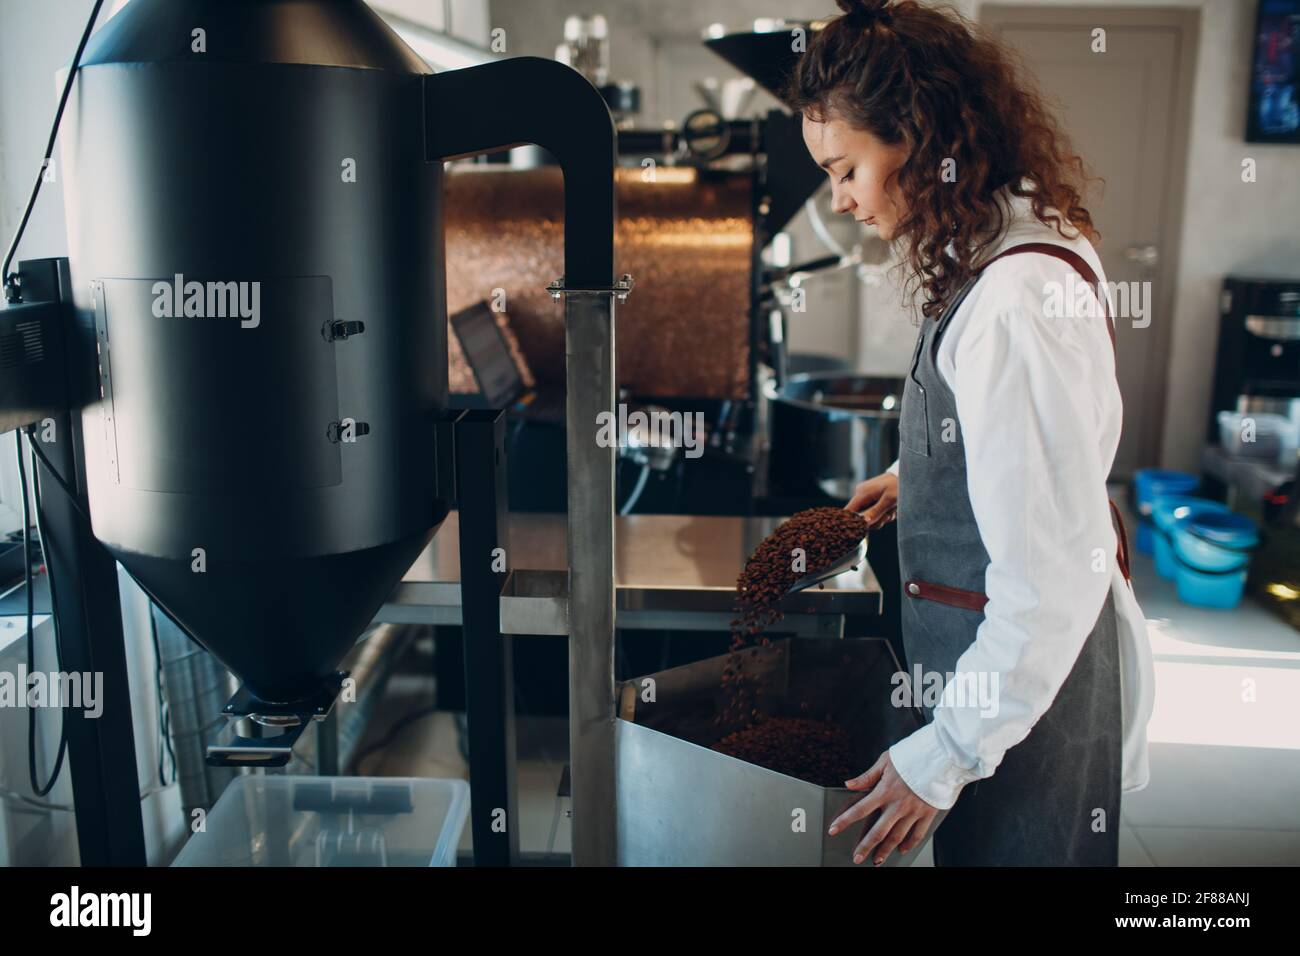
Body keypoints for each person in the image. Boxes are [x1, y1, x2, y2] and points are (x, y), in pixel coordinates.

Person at [783, 0, 1155, 865]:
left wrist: (944, 756)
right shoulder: (999, 240)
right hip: (1002, 685)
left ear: (913, 135)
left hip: (1026, 697)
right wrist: (928, 475)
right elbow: (1028, 446)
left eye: (845, 170)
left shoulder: (1016, 301)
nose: (838, 202)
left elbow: (1048, 580)